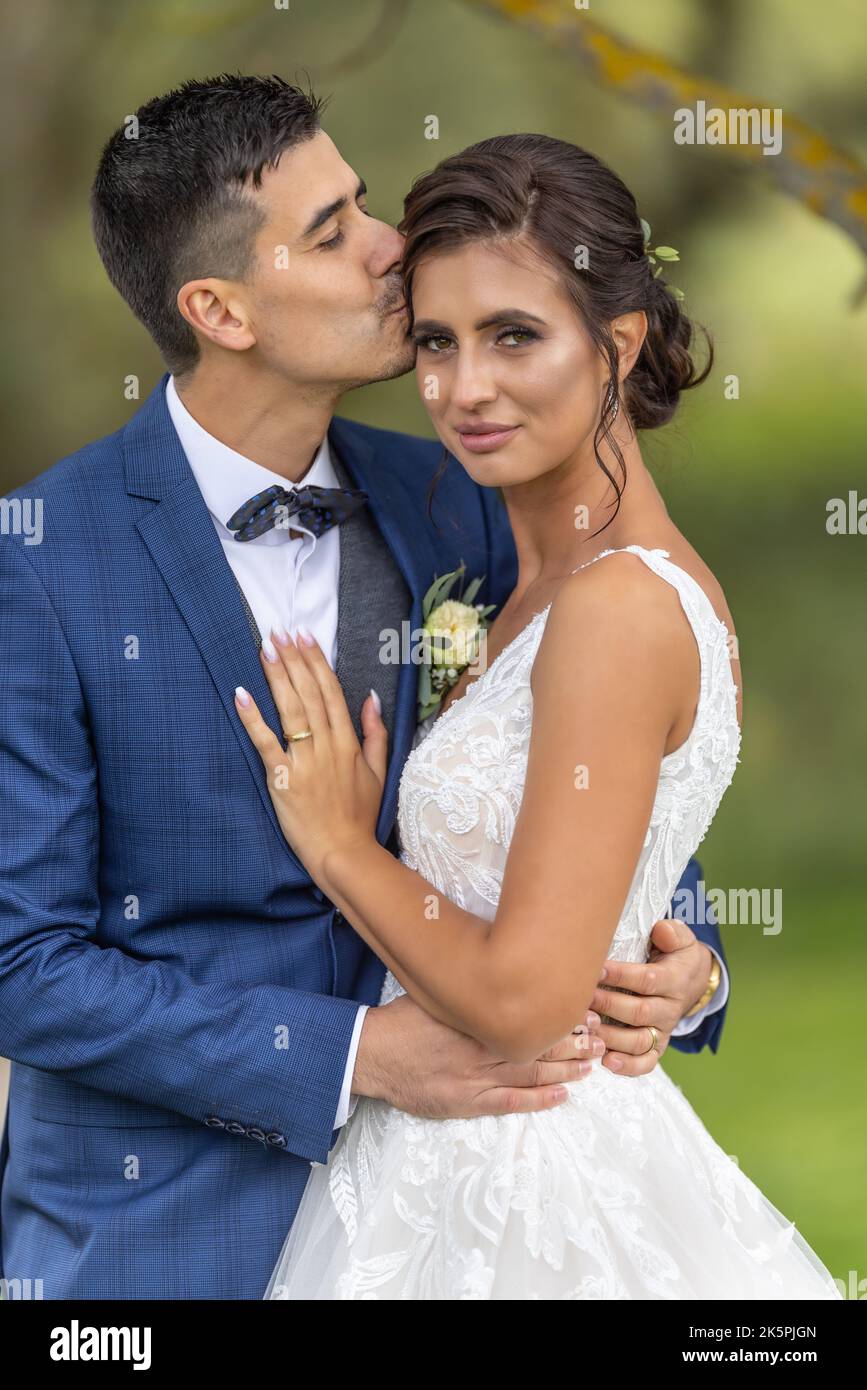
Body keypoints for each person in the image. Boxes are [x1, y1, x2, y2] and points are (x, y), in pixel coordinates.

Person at [1, 78, 728, 1301]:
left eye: (365, 206)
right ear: (219, 308)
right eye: (333, 232)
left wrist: (688, 955)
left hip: (462, 1218)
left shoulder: (459, 498)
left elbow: (580, 755)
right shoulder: (38, 560)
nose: (395, 249)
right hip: (160, 1248)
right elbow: (25, 964)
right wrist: (353, 1056)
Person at [239, 135, 843, 1300]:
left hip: (528, 1187)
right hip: (438, 1159)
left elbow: (524, 1000)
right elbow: (595, 865)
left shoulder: (618, 605)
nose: (464, 389)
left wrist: (340, 847)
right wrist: (692, 968)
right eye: (435, 341)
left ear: (617, 343)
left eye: (515, 335)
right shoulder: (517, 583)